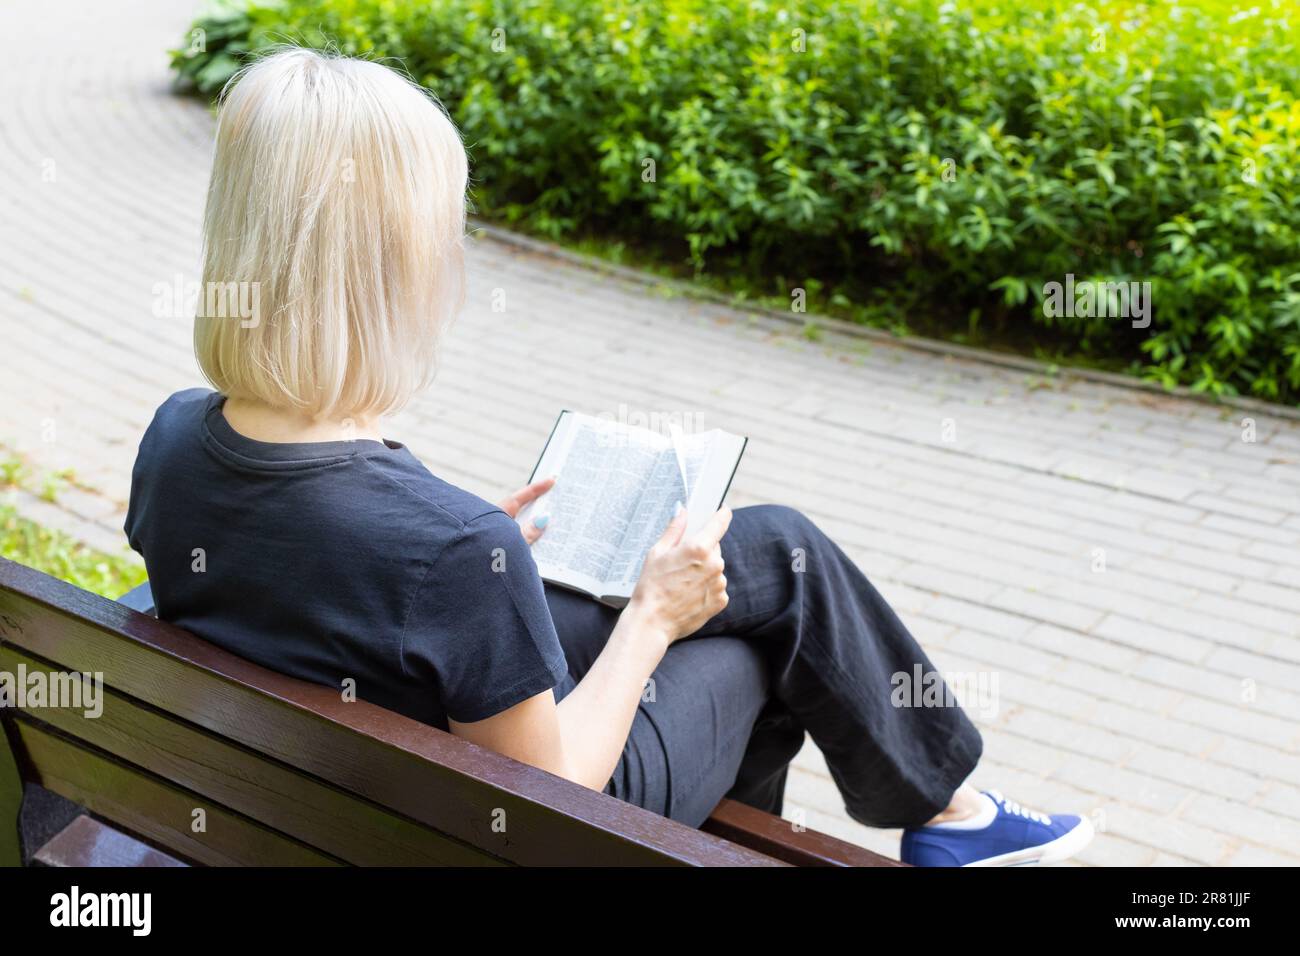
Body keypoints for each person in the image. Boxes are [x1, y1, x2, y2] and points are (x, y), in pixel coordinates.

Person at [125, 48, 1092, 867]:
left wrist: (468, 563)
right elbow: (550, 790)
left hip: (339, 782)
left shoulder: (175, 434)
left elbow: (298, 570)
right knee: (753, 639)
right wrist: (649, 623)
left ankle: (951, 813)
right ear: (391, 272)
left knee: (772, 550)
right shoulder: (452, 551)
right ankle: (944, 821)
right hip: (519, 831)